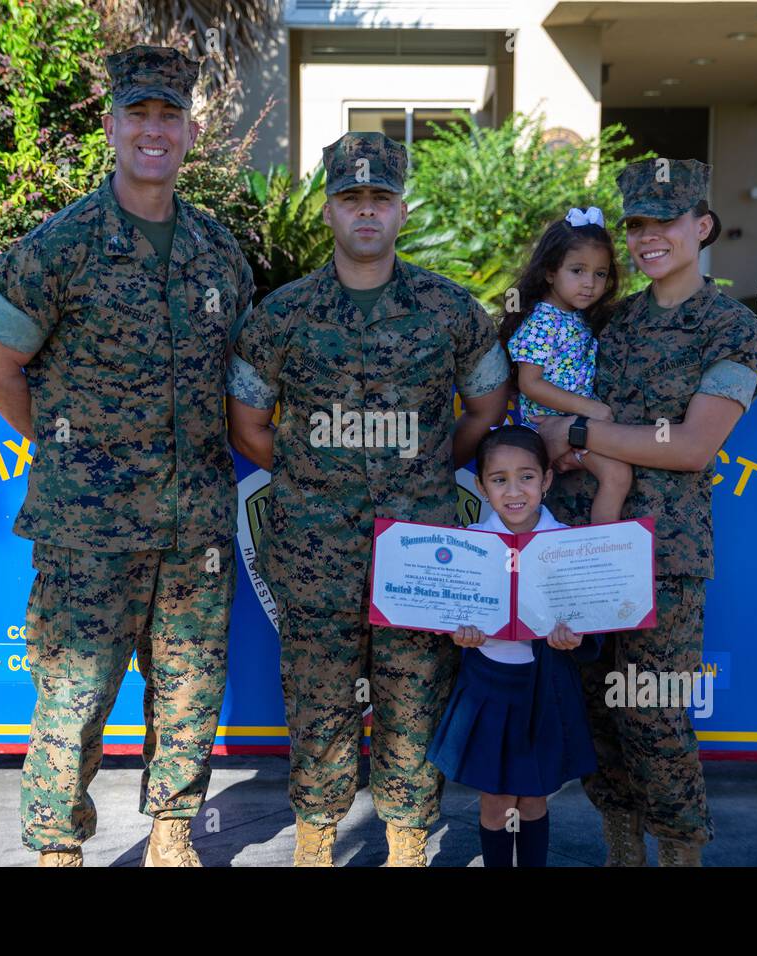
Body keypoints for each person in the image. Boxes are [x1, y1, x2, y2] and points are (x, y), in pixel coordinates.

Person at [0, 45, 254, 868]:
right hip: (88, 527)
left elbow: (239, 377)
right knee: (74, 692)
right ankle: (58, 848)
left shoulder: (218, 252)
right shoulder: (60, 246)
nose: (154, 131)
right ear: (112, 126)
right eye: (139, 115)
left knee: (191, 691)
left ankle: (172, 834)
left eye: (170, 116)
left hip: (194, 522)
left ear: (192, 132)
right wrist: (68, 451)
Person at [226, 131, 510, 866]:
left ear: (401, 211)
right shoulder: (282, 316)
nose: (365, 212)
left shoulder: (450, 310)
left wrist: (420, 470)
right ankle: (317, 840)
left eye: (379, 198)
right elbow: (251, 423)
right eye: (350, 198)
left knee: (413, 700)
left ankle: (407, 842)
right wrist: (311, 475)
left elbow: (484, 408)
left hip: (420, 553)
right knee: (319, 702)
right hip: (314, 552)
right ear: (328, 210)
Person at [533, 158, 757, 867]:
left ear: (701, 225)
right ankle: (622, 849)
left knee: (655, 715)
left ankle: (681, 854)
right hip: (586, 544)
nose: (647, 237)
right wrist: (571, 444)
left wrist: (575, 435)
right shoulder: (614, 320)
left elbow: (694, 445)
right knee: (598, 712)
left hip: (664, 554)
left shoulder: (730, 326)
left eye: (665, 221)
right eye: (636, 223)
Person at [426, 425, 601, 867]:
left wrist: (574, 639)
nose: (514, 490)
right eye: (499, 479)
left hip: (544, 687)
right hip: (487, 684)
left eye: (526, 476)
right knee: (497, 801)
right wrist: (458, 634)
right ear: (483, 487)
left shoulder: (568, 546)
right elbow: (450, 617)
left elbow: (591, 632)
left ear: (546, 480)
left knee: (535, 799)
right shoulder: (468, 547)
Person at [500, 206, 631, 524]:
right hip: (547, 427)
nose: (590, 283)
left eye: (600, 274)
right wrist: (590, 409)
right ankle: (605, 552)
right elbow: (530, 383)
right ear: (550, 272)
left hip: (572, 425)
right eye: (577, 271)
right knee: (616, 474)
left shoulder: (576, 317)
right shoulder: (543, 320)